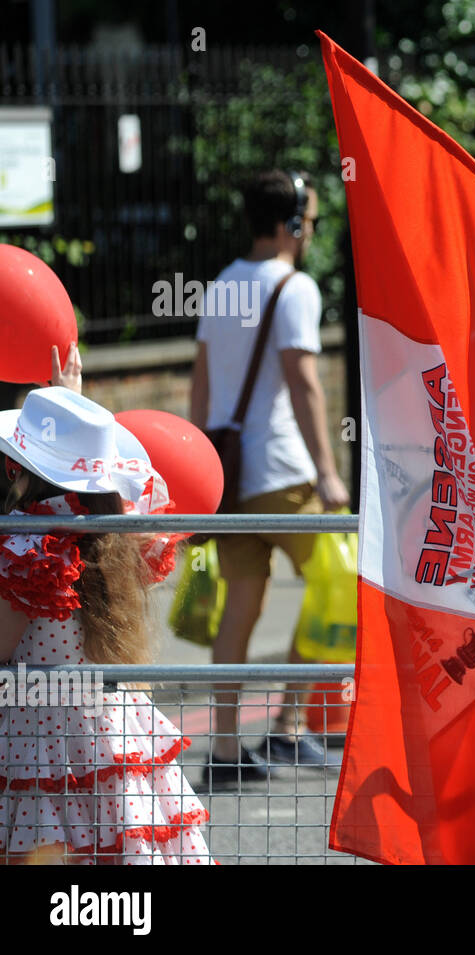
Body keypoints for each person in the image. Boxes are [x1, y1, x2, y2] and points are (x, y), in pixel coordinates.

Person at [0, 387, 212, 863]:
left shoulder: (29, 549)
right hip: (115, 727)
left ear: (19, 469)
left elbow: (1, 644)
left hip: (42, 735)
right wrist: (70, 400)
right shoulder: (116, 531)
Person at [191, 170, 350, 787]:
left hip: (230, 482)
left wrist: (201, 466)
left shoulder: (223, 285)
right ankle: (286, 729)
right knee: (338, 586)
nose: (309, 232)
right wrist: (329, 472)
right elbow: (305, 381)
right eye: (307, 221)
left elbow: (202, 384)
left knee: (241, 609)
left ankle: (225, 748)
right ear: (289, 226)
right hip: (286, 473)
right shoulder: (296, 288)